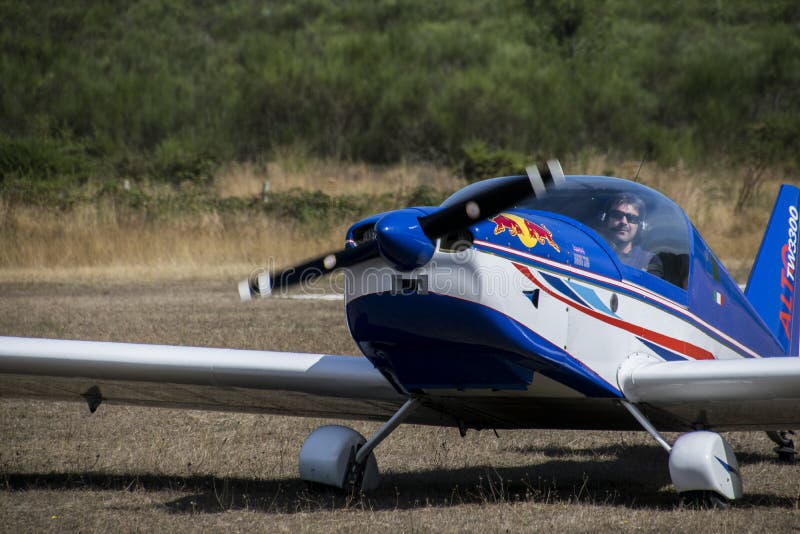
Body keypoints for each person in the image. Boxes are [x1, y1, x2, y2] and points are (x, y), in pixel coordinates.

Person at [599, 193, 664, 278]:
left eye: (631, 218)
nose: (623, 222)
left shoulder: (648, 261)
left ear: (640, 226)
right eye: (617, 215)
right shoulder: (592, 249)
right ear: (606, 219)